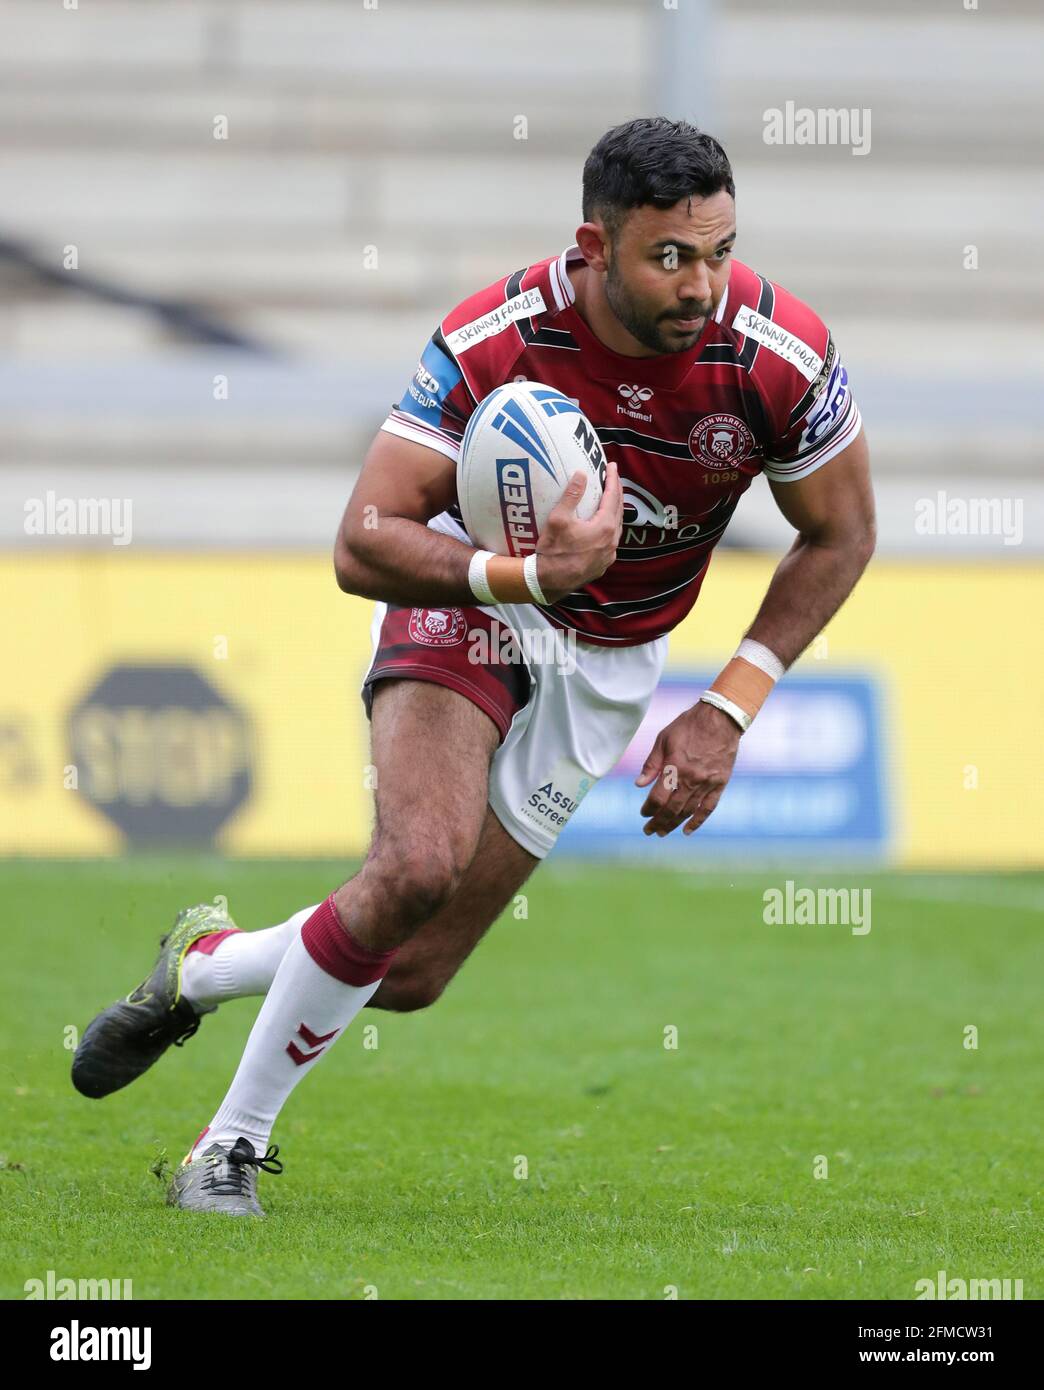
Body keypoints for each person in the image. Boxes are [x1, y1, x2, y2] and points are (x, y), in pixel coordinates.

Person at [72, 117, 874, 1216]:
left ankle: (201, 965)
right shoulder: (495, 334)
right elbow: (365, 539)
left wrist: (728, 708)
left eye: (721, 251)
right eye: (670, 257)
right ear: (593, 247)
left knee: (407, 972)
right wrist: (520, 575)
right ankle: (227, 1150)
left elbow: (841, 533)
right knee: (413, 868)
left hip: (613, 656)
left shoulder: (778, 355)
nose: (702, 284)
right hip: (473, 600)